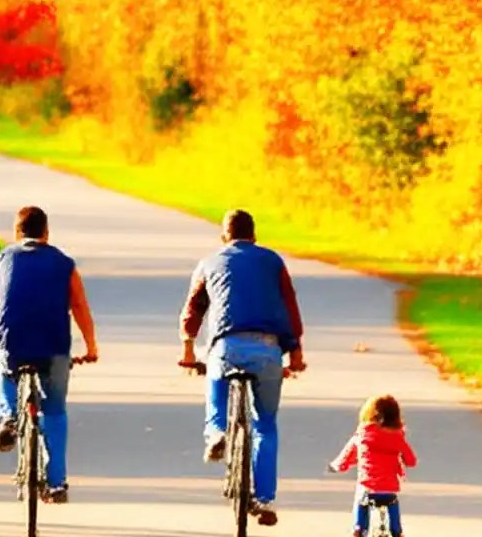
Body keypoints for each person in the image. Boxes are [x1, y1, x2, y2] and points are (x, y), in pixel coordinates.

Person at [179, 208, 307, 526]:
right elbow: (290, 307)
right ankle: (264, 498)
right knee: (265, 424)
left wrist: (187, 350)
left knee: (216, 379)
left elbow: (194, 308)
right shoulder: (273, 261)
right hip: (267, 350)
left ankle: (216, 431)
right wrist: (295, 354)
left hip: (226, 347)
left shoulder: (209, 263)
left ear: (224, 236)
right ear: (254, 235)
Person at [0, 205, 99, 504]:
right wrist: (91, 347)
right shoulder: (65, 263)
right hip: (53, 348)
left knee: (3, 366)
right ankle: (56, 484)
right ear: (46, 234)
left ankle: (7, 416)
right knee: (54, 411)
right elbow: (79, 306)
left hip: (11, 344)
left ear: (16, 233)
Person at [328, 395, 418, 537]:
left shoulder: (362, 435)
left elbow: (345, 457)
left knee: (361, 498)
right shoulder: (398, 437)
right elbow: (411, 461)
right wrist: (403, 458)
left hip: (368, 487)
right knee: (393, 501)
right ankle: (397, 531)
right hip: (389, 488)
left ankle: (358, 529)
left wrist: (336, 466)